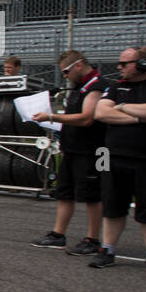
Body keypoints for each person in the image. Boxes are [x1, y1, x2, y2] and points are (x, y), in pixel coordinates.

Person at [30, 51, 107, 253]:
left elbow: (87, 118)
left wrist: (52, 117)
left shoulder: (96, 85)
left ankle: (93, 239)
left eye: (66, 71)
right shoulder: (79, 87)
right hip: (72, 148)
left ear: (78, 65)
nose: (64, 76)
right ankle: (58, 234)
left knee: (92, 195)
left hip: (93, 150)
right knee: (64, 192)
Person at [90, 46, 146, 272]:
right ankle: (107, 249)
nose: (119, 67)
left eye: (124, 64)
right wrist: (138, 118)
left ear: (143, 64)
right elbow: (101, 113)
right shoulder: (116, 87)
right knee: (112, 204)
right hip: (112, 156)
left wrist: (124, 107)